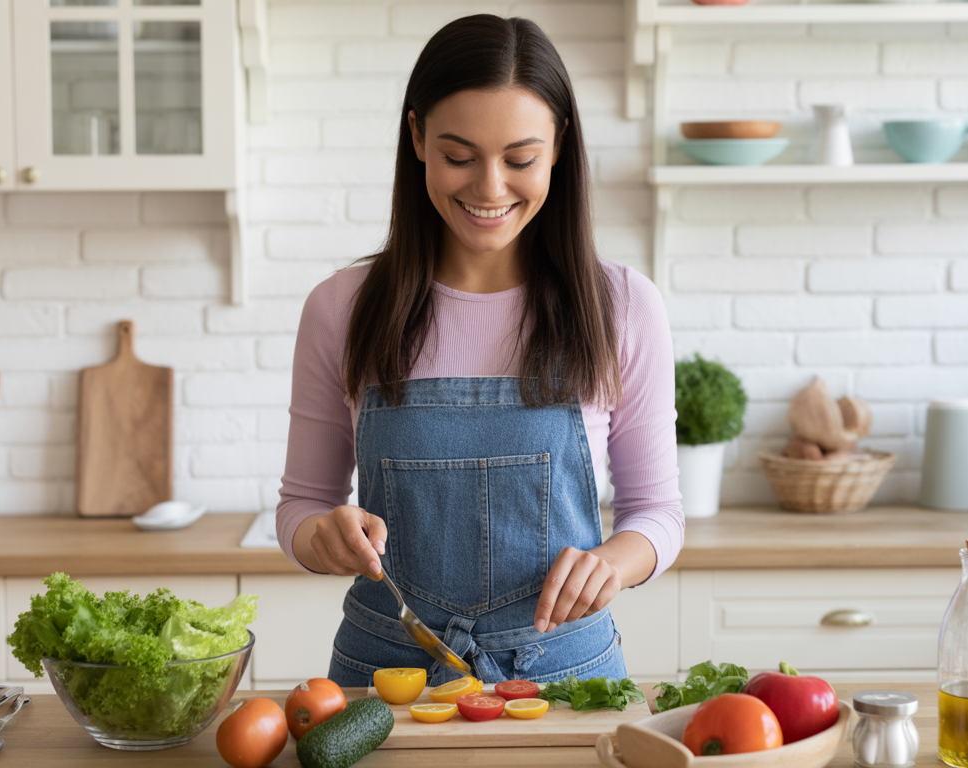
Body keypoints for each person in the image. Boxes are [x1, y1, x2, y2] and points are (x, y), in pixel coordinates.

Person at [276, 14, 683, 687]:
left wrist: (613, 562)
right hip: (385, 677)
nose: (490, 188)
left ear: (559, 146)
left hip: (565, 673)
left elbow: (657, 513)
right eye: (459, 157)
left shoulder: (622, 305)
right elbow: (301, 506)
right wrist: (322, 539)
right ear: (417, 138)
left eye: (520, 159)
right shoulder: (340, 308)